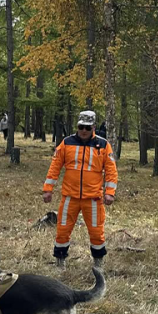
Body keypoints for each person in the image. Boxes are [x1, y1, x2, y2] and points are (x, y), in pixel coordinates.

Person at [42, 110, 118, 269]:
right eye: (81, 127)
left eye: (87, 128)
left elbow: (111, 170)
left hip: (94, 199)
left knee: (97, 232)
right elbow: (55, 166)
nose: (84, 130)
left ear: (94, 127)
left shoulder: (103, 144)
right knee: (62, 230)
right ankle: (60, 263)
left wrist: (110, 193)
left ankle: (98, 265)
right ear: (77, 126)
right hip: (70, 197)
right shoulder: (67, 143)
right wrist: (48, 189)